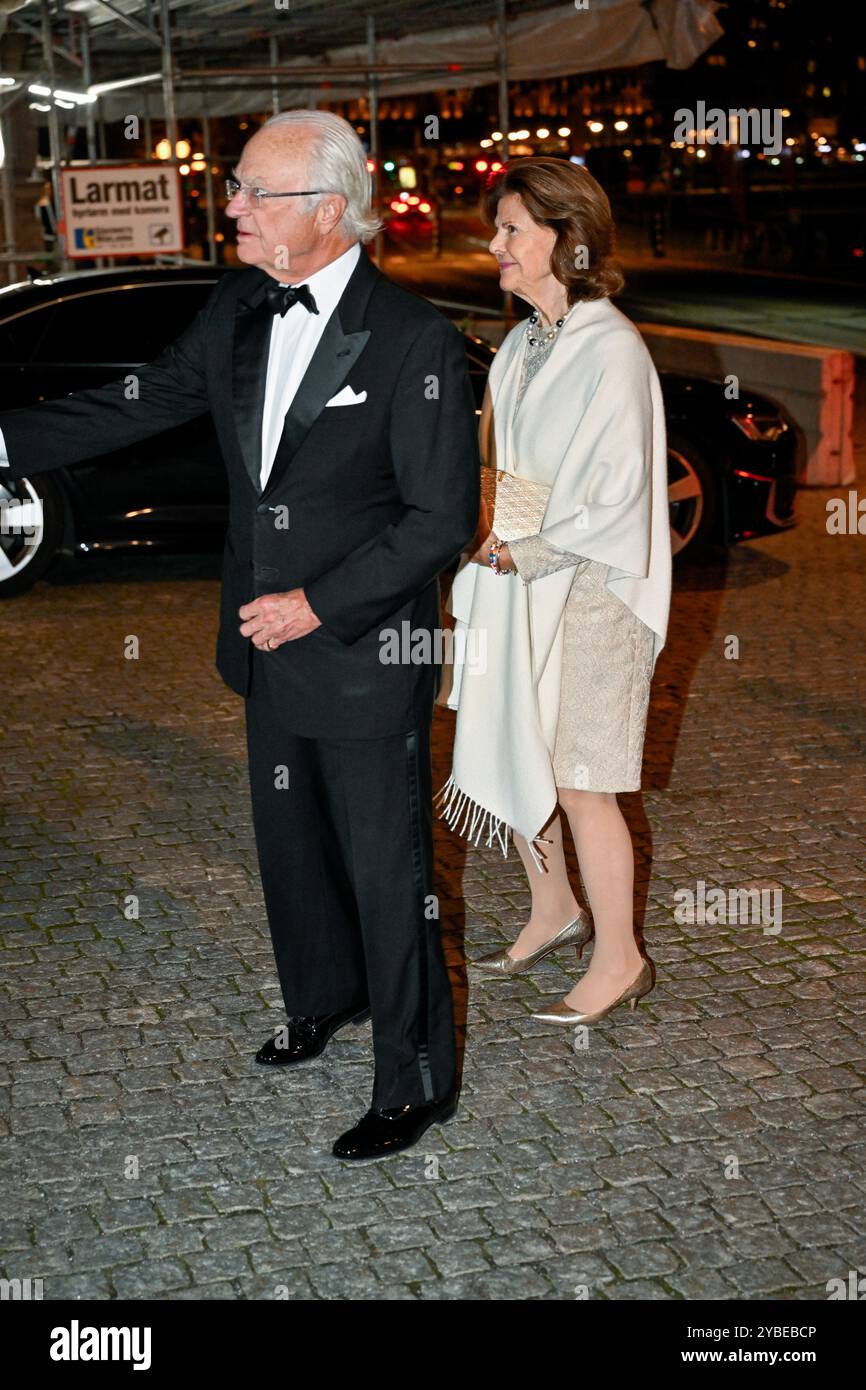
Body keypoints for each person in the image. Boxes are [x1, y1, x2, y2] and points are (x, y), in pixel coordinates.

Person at [0, 110, 481, 1159]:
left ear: (323, 209)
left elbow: (439, 520)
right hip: (261, 649)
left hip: (359, 656)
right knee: (291, 851)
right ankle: (321, 998)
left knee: (387, 870)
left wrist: (318, 603)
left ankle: (412, 1078)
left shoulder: (414, 341)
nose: (231, 208)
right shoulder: (237, 306)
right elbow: (137, 402)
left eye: (253, 191)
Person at [439, 157, 671, 1026]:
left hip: (599, 595)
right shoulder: (526, 343)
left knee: (583, 778)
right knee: (523, 745)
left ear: (564, 242)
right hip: (531, 581)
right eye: (496, 228)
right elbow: (519, 468)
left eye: (510, 230)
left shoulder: (611, 347)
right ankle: (553, 907)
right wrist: (499, 540)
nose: (493, 243)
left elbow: (617, 495)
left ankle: (622, 957)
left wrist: (522, 552)